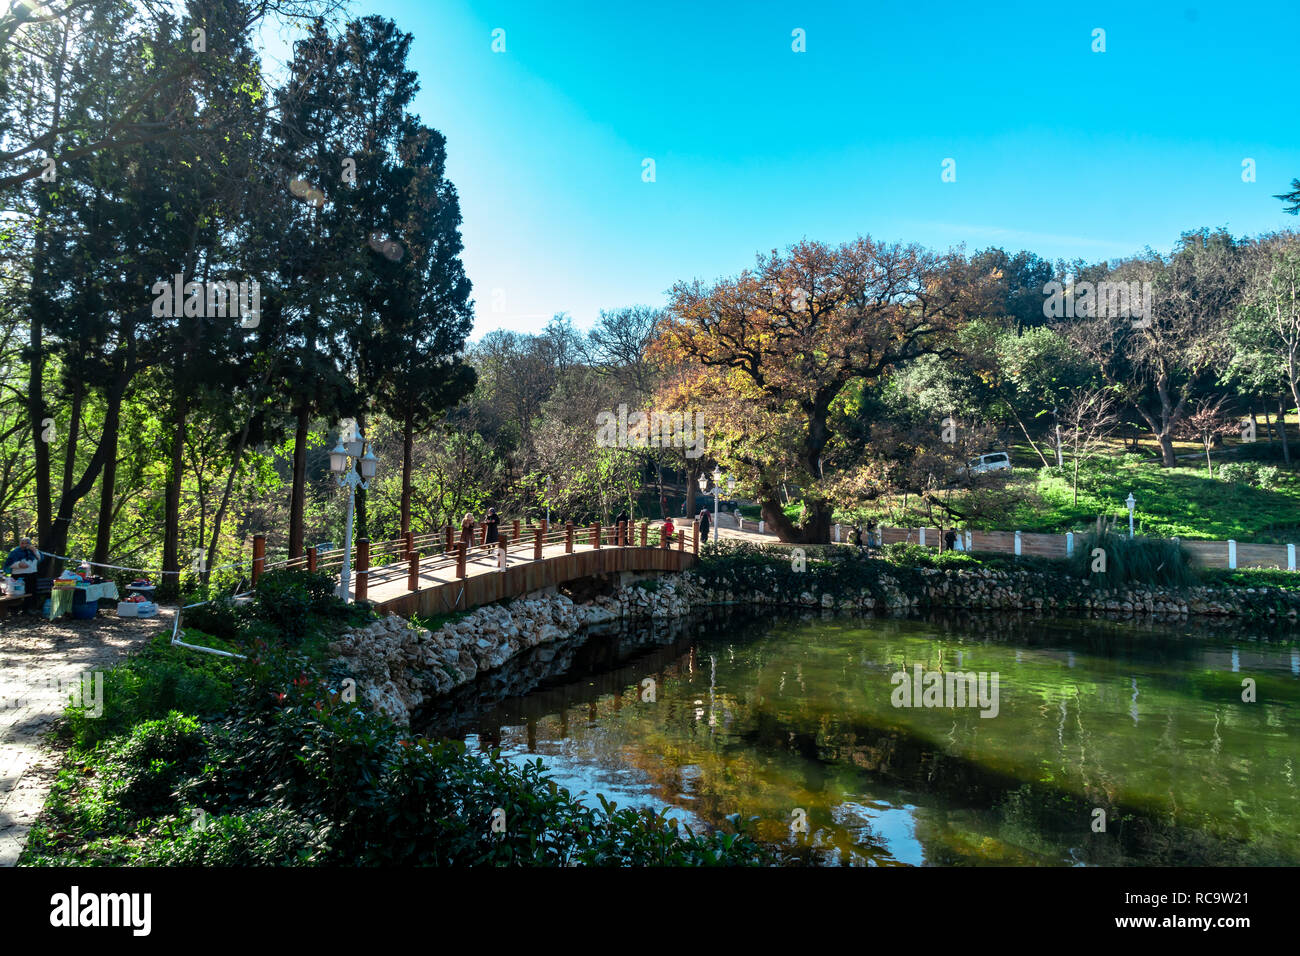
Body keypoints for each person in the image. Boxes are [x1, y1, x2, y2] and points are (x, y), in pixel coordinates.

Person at [3, 536, 42, 612]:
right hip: (18, 576)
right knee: (17, 593)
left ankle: (28, 609)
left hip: (32, 575)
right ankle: (14, 610)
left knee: (31, 593)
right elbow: (9, 564)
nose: (24, 545)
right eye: (22, 543)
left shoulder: (34, 551)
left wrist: (35, 551)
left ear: (30, 544)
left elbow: (39, 559)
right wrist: (18, 565)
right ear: (20, 544)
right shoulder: (15, 552)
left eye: (27, 543)